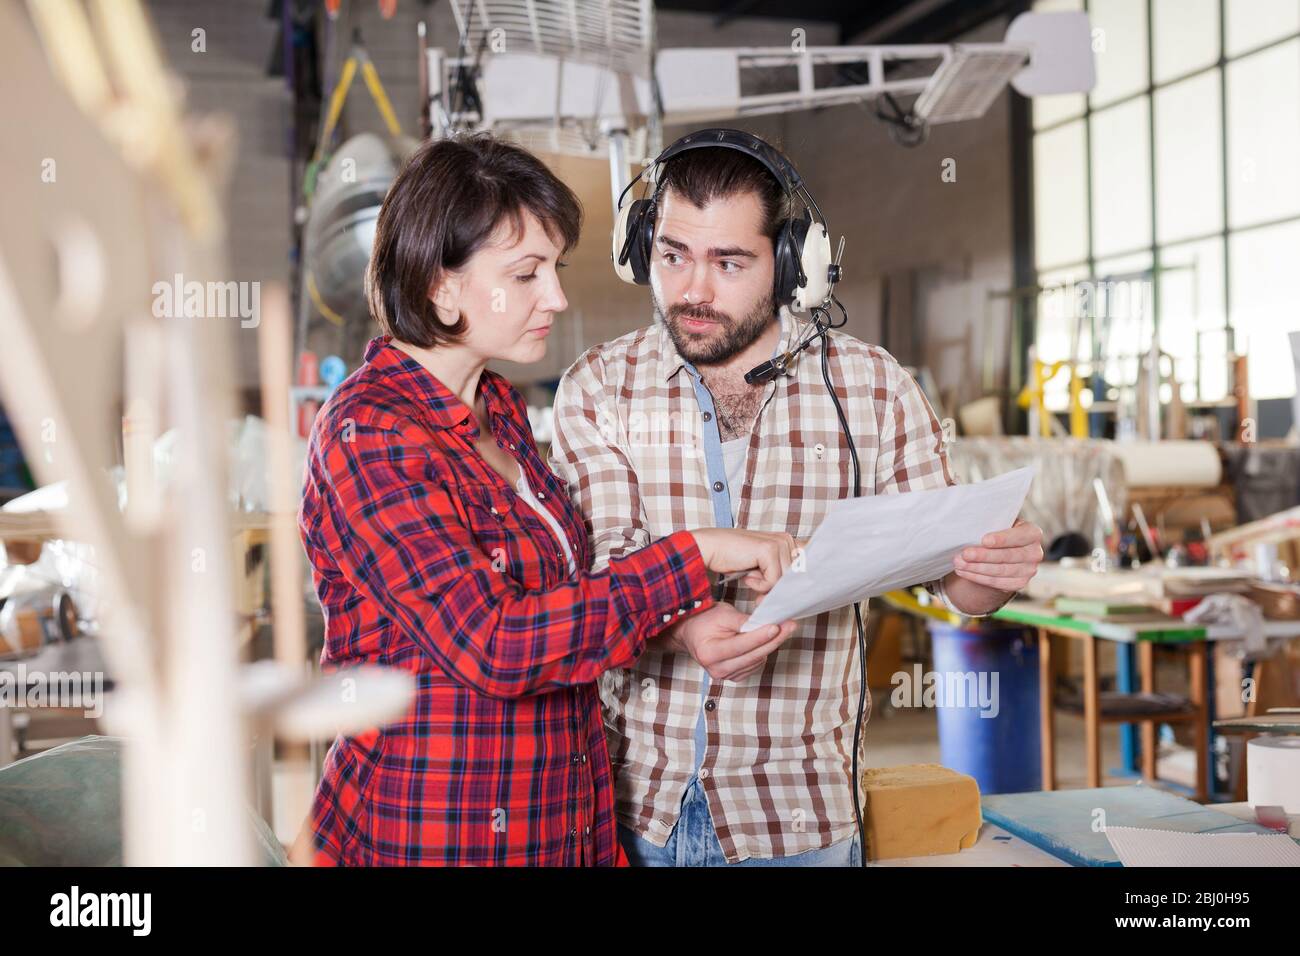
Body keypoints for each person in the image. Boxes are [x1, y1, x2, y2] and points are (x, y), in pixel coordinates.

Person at [296, 132, 798, 866]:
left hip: (554, 823)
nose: (557, 297)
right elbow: (496, 645)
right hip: (436, 833)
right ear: (439, 284)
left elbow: (567, 608)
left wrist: (678, 617)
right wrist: (697, 555)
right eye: (528, 274)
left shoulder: (495, 408)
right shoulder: (370, 432)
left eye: (553, 270)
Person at [549, 129, 1045, 866]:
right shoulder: (598, 386)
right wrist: (683, 626)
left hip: (796, 816)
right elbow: (604, 565)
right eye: (673, 256)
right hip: (632, 803)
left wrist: (989, 569)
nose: (693, 291)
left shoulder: (872, 389)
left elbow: (952, 579)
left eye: (729, 263)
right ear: (641, 247)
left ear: (792, 265)